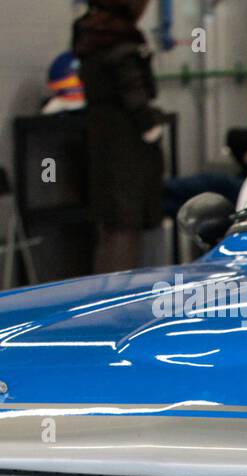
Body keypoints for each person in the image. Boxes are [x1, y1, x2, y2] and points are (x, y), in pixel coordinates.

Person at [72, 0, 164, 274]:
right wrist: (151, 126)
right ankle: (121, 306)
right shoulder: (123, 43)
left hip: (102, 143)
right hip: (127, 149)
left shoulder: (88, 35)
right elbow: (133, 92)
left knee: (112, 229)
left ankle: (105, 300)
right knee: (127, 228)